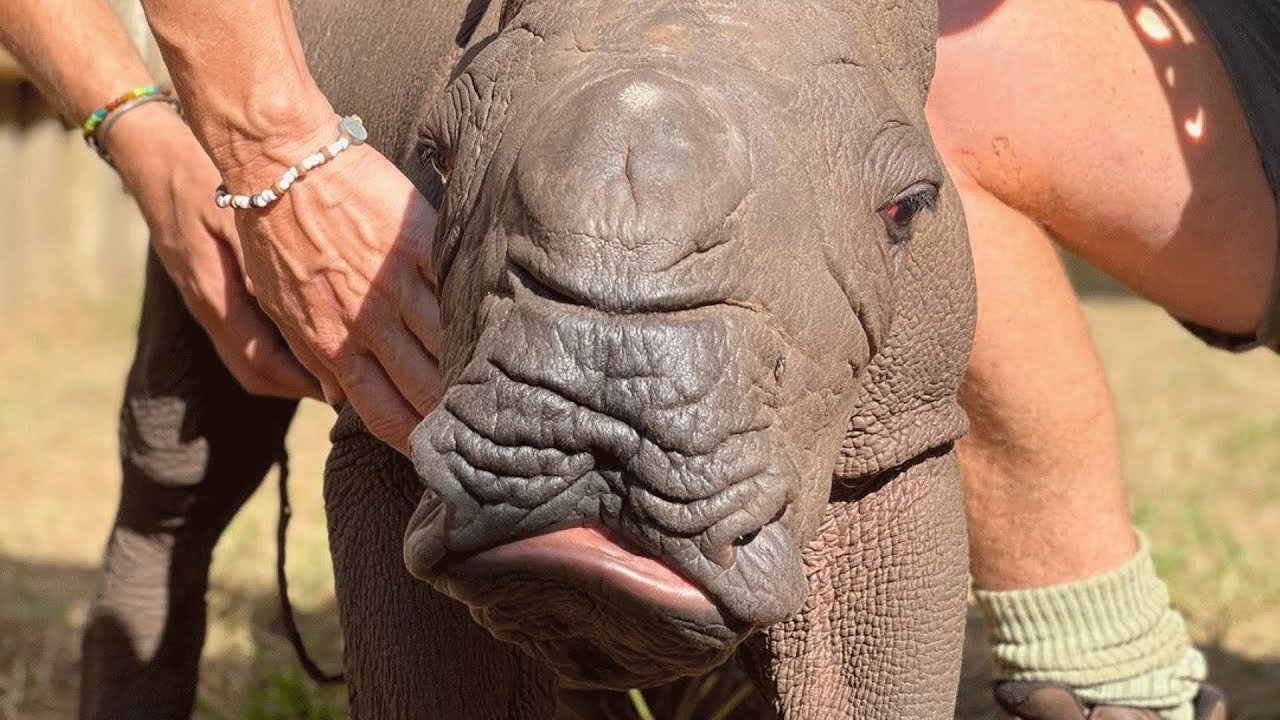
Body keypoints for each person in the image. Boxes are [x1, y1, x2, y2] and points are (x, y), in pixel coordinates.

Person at [0, 0, 1257, 718]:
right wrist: (177, 129)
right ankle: (130, 668)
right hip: (337, 119)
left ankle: (1110, 674)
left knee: (871, 430)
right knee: (180, 471)